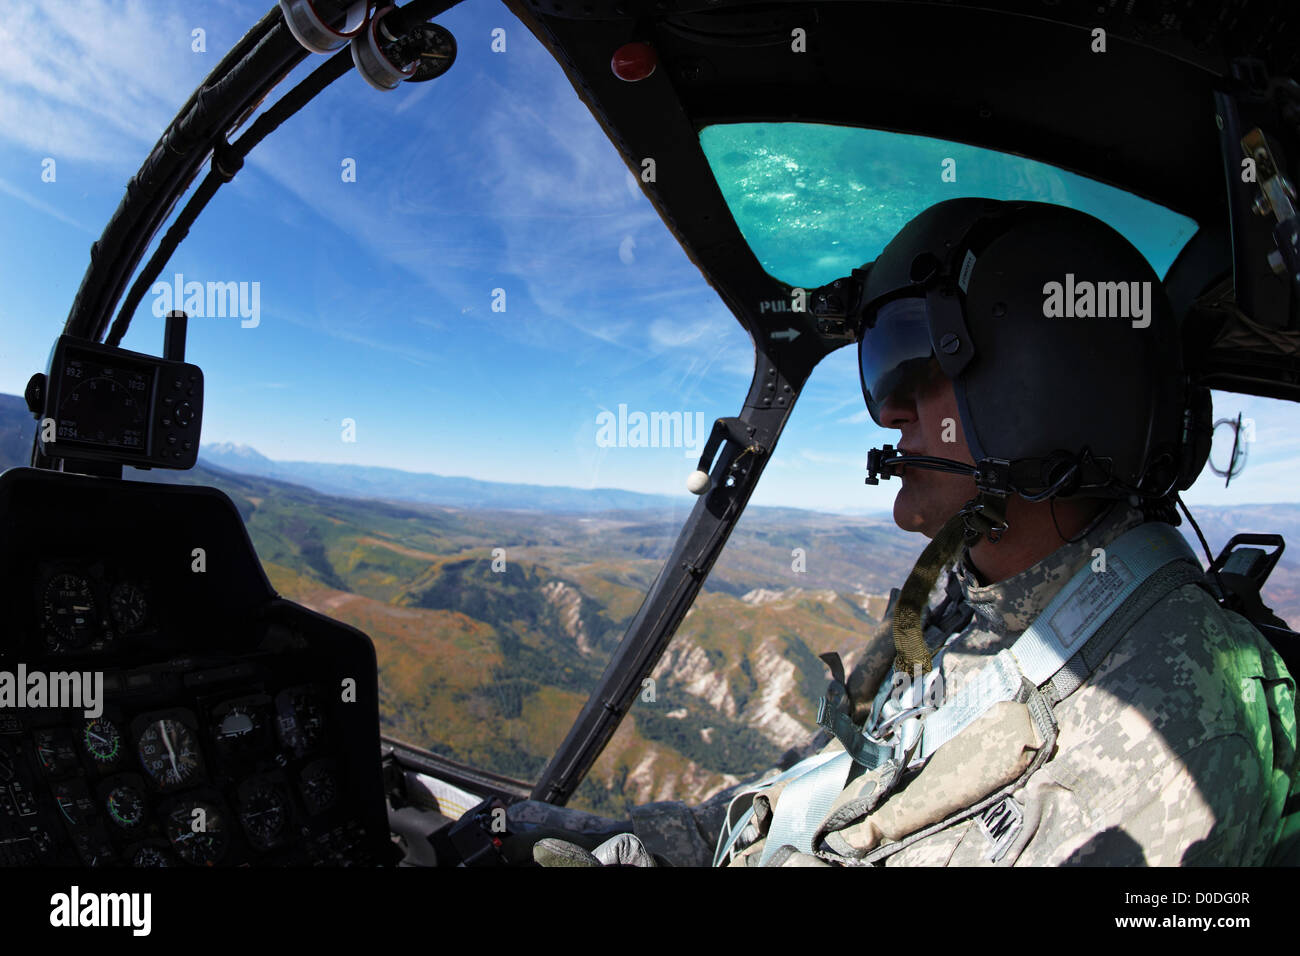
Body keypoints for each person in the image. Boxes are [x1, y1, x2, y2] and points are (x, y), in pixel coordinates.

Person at [505, 198, 1300, 867]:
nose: (885, 412)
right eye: (878, 369)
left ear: (1046, 380)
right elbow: (816, 798)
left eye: (909, 362)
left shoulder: (1158, 735)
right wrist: (606, 842)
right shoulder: (963, 599)